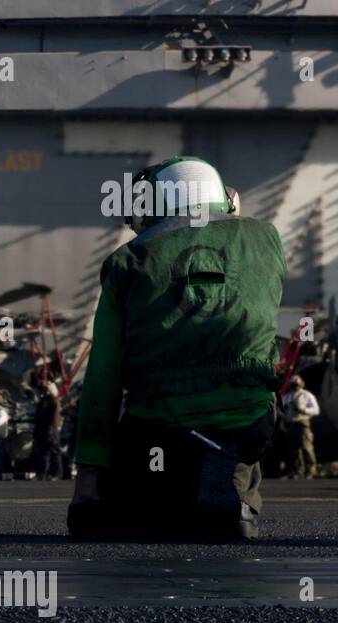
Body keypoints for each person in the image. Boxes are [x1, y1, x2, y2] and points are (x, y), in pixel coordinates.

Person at [69, 156, 285, 540]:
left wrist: (88, 481)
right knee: (243, 412)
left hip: (161, 423)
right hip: (249, 422)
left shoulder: (127, 261)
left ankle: (163, 499)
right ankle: (239, 499)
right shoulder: (267, 240)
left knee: (133, 505)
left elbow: (103, 376)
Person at [280, 375, 319, 478]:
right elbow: (280, 410)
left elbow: (316, 410)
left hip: (302, 423)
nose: (295, 387)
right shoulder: (286, 397)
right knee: (293, 450)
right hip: (290, 425)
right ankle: (297, 471)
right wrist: (284, 418)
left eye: (297, 384)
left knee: (306, 447)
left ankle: (311, 470)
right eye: (293, 384)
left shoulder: (307, 395)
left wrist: (304, 410)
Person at [32, 373, 63, 480]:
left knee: (54, 452)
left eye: (45, 389)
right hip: (43, 429)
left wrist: (52, 427)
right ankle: (42, 473)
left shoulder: (53, 400)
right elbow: (39, 417)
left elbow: (55, 415)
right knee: (43, 452)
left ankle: (57, 473)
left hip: (50, 429)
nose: (43, 390)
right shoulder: (43, 401)